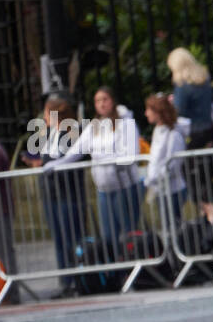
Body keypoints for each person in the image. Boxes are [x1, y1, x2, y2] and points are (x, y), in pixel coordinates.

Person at [47, 86, 143, 252]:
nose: (102, 104)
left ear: (112, 101)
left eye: (105, 99)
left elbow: (131, 154)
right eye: (98, 100)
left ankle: (133, 272)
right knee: (108, 237)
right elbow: (76, 151)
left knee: (128, 235)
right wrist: (56, 164)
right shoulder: (94, 126)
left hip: (124, 187)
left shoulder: (125, 123)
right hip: (104, 190)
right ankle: (116, 276)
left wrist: (106, 159)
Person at [22, 94, 88, 298]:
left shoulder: (73, 132)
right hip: (51, 193)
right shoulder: (48, 133)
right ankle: (65, 281)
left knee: (72, 238)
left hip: (68, 193)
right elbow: (45, 158)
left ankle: (79, 279)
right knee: (59, 239)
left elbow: (67, 159)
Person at [168, 47, 213, 229]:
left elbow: (180, 111)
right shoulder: (204, 80)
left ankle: (212, 218)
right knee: (207, 177)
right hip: (206, 133)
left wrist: (171, 105)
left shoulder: (183, 85)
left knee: (195, 183)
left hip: (192, 136)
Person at [143, 93, 190, 241]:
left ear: (158, 111)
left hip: (172, 189)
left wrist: (154, 179)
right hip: (161, 189)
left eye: (149, 110)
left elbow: (173, 163)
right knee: (167, 227)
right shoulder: (158, 131)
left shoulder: (173, 134)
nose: (146, 113)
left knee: (173, 228)